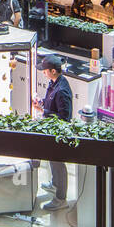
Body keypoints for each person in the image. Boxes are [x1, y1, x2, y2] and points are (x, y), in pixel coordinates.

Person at [33, 56, 73, 211]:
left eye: (45, 70)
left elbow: (64, 117)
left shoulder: (62, 90)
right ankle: (55, 185)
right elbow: (51, 103)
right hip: (51, 130)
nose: (43, 73)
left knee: (58, 164)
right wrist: (42, 103)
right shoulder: (55, 83)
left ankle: (61, 199)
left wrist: (44, 111)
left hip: (58, 133)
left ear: (53, 71)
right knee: (52, 160)